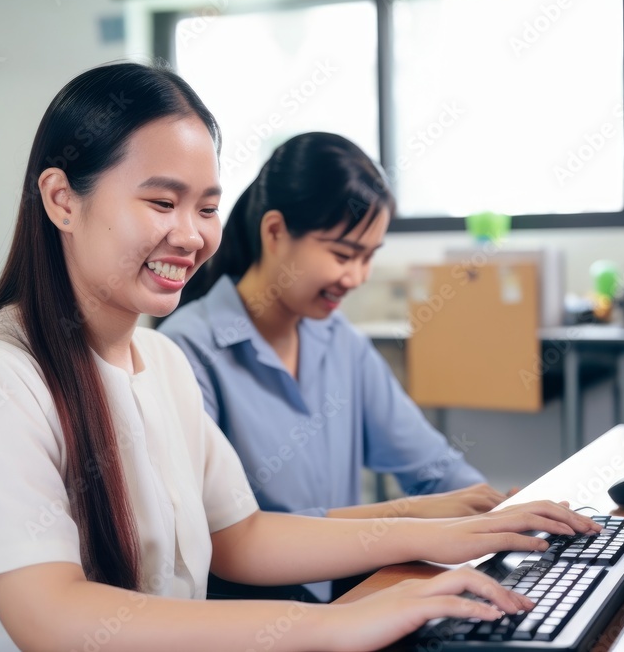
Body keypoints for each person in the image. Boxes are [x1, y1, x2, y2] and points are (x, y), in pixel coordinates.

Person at [0, 62, 601, 652]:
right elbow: (51, 616)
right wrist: (333, 623)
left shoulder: (161, 364)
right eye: (161, 201)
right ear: (62, 199)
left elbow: (241, 535)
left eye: (207, 208)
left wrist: (440, 533)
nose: (190, 235)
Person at [159, 132, 515, 596]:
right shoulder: (188, 352)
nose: (357, 277)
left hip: (346, 600)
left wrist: (502, 519)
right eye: (343, 254)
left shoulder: (341, 342)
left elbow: (433, 470)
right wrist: (407, 514)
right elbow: (224, 538)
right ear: (274, 233)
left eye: (369, 257)